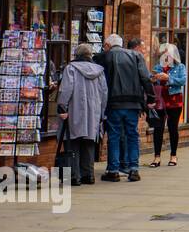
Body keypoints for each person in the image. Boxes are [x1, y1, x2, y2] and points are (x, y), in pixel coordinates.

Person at [102, 34, 154, 182]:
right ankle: (133, 169)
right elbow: (145, 78)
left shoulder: (105, 57)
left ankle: (113, 170)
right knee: (132, 135)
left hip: (113, 104)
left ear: (109, 45)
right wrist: (151, 98)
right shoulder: (136, 56)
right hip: (133, 103)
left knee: (114, 136)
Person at [56, 43, 106, 185]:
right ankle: (88, 175)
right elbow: (104, 93)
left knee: (73, 143)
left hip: (74, 111)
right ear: (90, 55)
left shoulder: (70, 69)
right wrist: (101, 113)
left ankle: (74, 177)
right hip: (93, 113)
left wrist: (62, 108)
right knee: (89, 143)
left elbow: (66, 90)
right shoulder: (100, 71)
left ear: (76, 55)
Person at [149, 42, 186, 168]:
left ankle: (173, 156)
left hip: (174, 101)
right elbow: (151, 78)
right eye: (162, 54)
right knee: (158, 128)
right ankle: (157, 157)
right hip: (160, 101)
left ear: (172, 55)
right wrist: (153, 79)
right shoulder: (158, 67)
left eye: (167, 54)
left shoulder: (180, 67)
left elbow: (182, 81)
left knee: (172, 128)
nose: (164, 56)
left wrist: (168, 78)